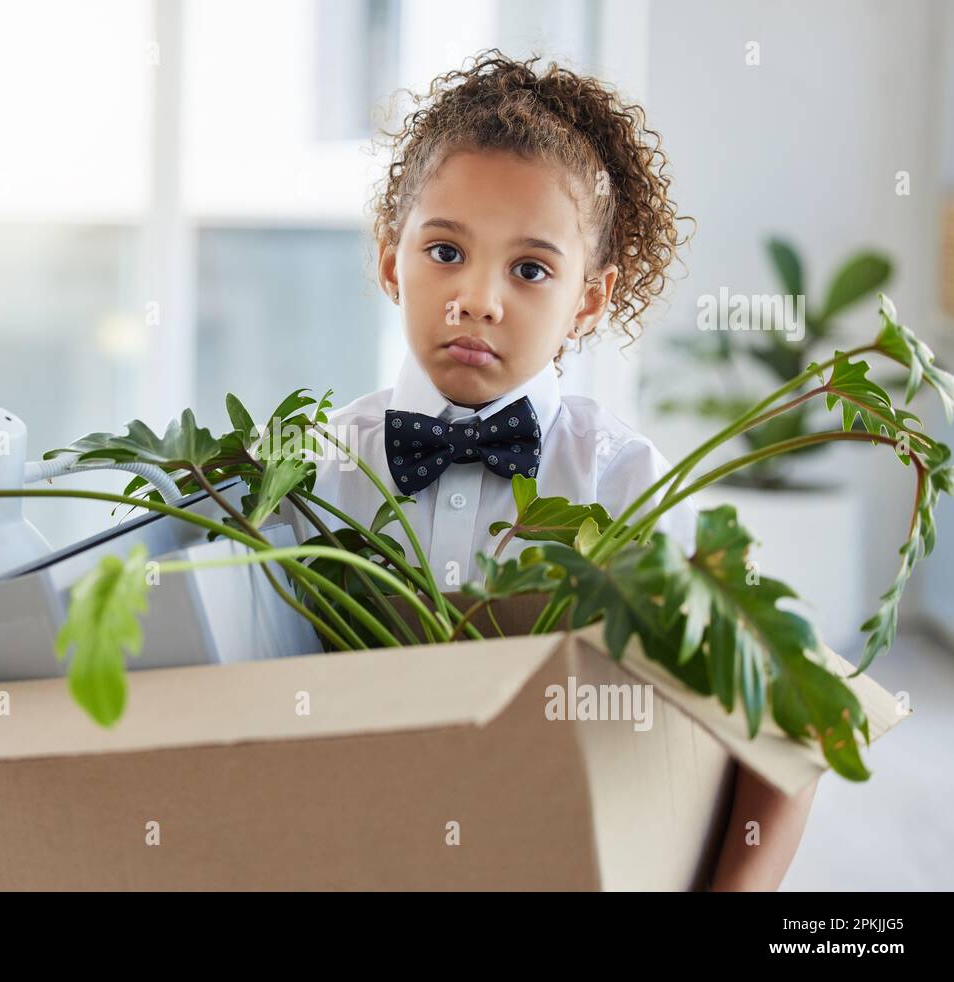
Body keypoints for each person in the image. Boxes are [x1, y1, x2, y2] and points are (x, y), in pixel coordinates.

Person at [279, 50, 813, 891]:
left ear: (590, 301)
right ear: (390, 260)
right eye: (445, 251)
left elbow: (787, 729)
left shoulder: (630, 484)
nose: (479, 299)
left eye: (530, 270)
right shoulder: (307, 473)